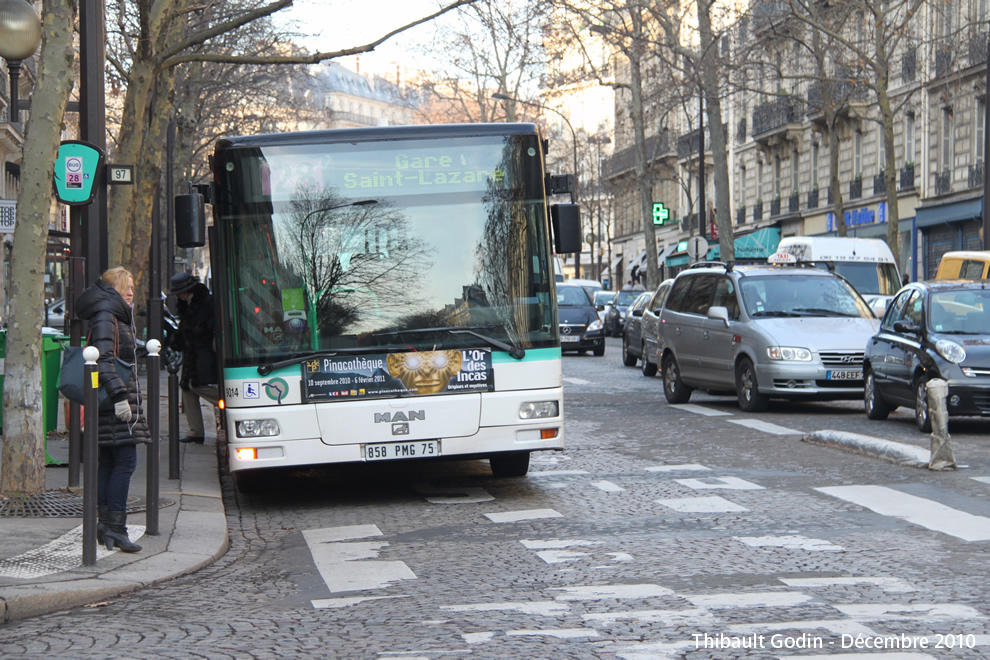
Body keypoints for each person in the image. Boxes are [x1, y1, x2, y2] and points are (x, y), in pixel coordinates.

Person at [75, 267, 150, 553]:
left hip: (107, 400)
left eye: (132, 286)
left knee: (109, 463)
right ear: (112, 290)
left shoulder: (110, 314)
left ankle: (106, 526)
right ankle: (116, 528)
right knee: (125, 462)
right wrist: (121, 397)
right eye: (125, 287)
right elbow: (104, 359)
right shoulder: (108, 316)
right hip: (115, 402)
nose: (131, 292)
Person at [168, 272, 219, 444]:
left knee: (196, 385)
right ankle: (196, 431)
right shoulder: (186, 305)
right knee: (187, 391)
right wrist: (178, 339)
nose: (179, 297)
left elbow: (216, 322)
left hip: (204, 352)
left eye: (181, 293)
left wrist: (201, 329)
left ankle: (227, 401)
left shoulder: (207, 301)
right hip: (193, 352)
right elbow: (185, 327)